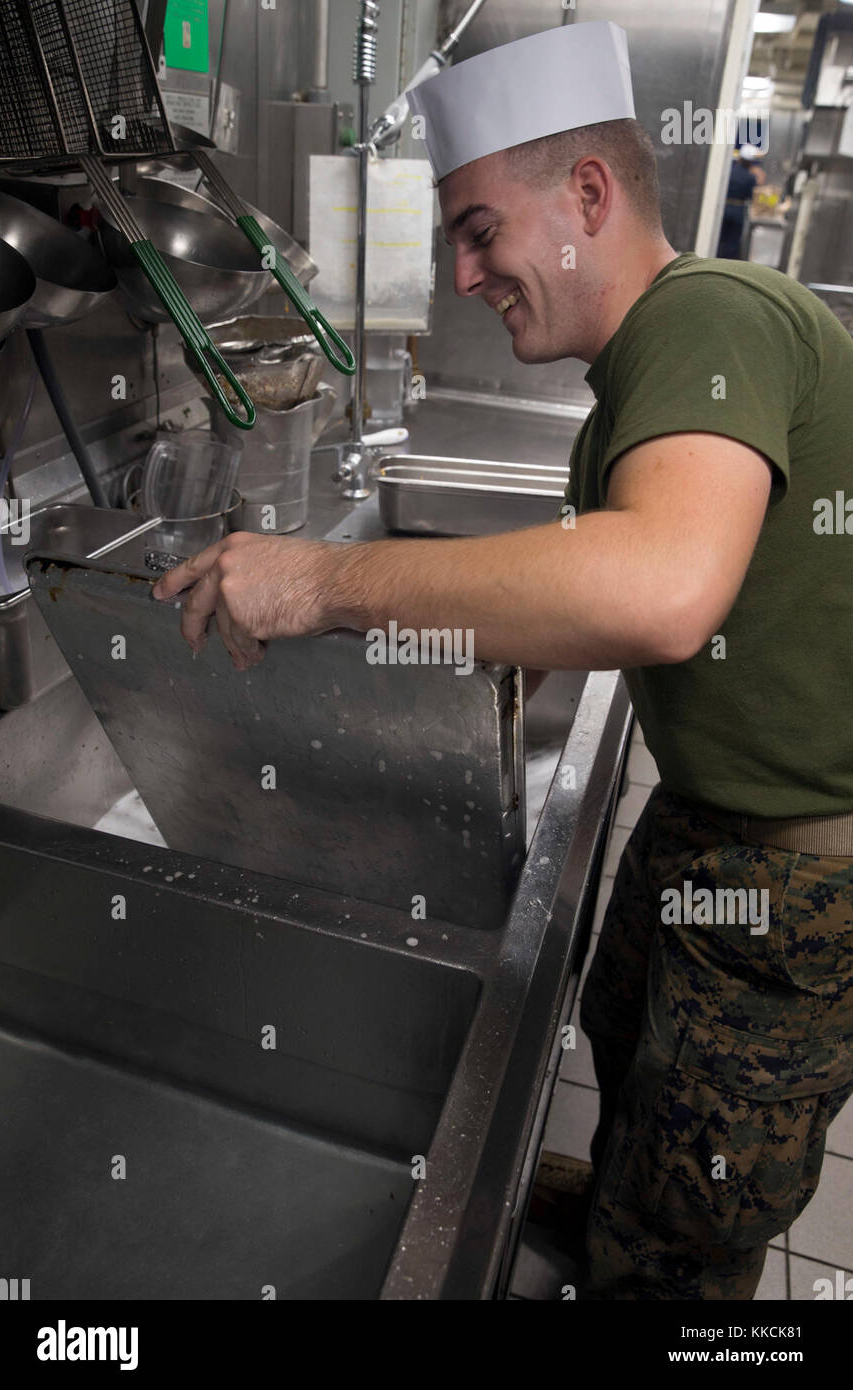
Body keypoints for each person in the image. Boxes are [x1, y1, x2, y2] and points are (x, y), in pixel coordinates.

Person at [153, 21, 853, 1300]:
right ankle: (629, 1193)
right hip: (716, 819)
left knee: (698, 1211)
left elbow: (655, 590)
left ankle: (659, 1251)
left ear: (588, 195)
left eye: (480, 229)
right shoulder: (641, 374)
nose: (464, 274)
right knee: (628, 1032)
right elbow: (592, 587)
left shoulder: (713, 314)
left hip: (797, 870)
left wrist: (320, 582)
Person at [717, 143, 767, 259]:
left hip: (723, 208)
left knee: (720, 239)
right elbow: (752, 195)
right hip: (738, 211)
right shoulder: (750, 177)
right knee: (732, 242)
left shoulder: (730, 171)